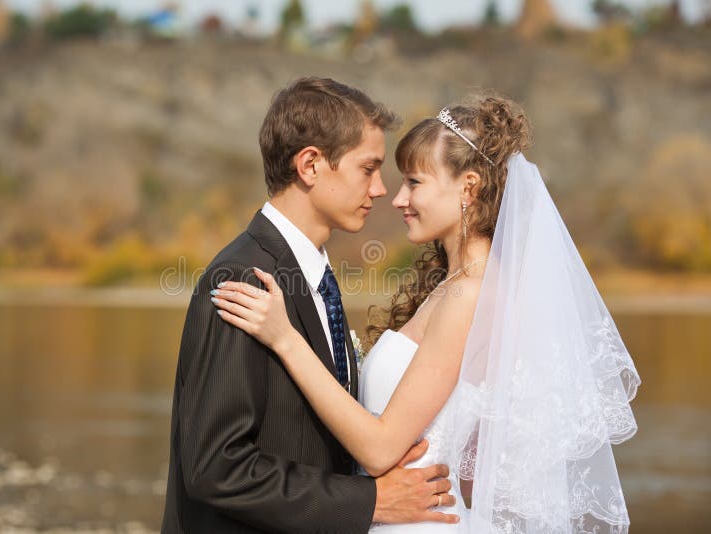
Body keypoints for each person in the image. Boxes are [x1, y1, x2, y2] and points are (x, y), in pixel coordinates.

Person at [212, 95, 640, 533]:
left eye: (414, 183)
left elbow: (380, 450)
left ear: (469, 187)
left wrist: (285, 339)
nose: (396, 199)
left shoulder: (469, 296)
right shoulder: (454, 289)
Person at [161, 77, 459, 534]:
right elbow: (216, 468)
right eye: (368, 168)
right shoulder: (245, 277)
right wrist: (371, 502)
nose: (380, 189)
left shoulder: (313, 274)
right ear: (311, 165)